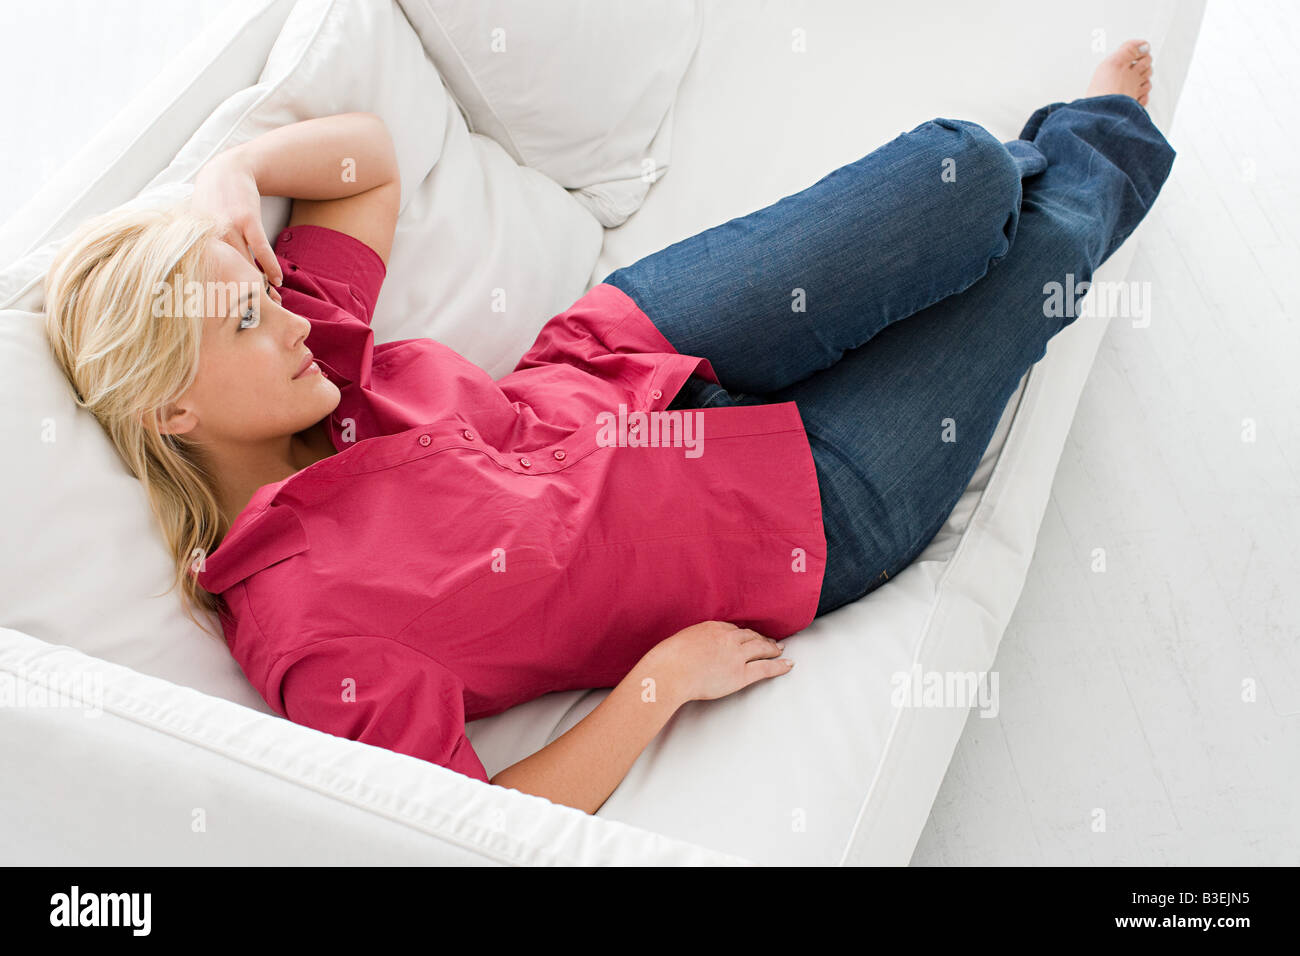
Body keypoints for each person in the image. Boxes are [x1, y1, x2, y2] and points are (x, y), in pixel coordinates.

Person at [42, 40, 1170, 814]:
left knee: (959, 172)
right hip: (800, 515)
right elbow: (455, 824)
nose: (285, 311)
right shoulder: (307, 629)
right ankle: (1093, 142)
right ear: (174, 409)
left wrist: (229, 175)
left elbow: (361, 165)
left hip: (633, 349)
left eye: (263, 288)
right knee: (1039, 258)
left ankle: (1017, 172)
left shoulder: (308, 361)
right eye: (245, 316)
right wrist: (654, 688)